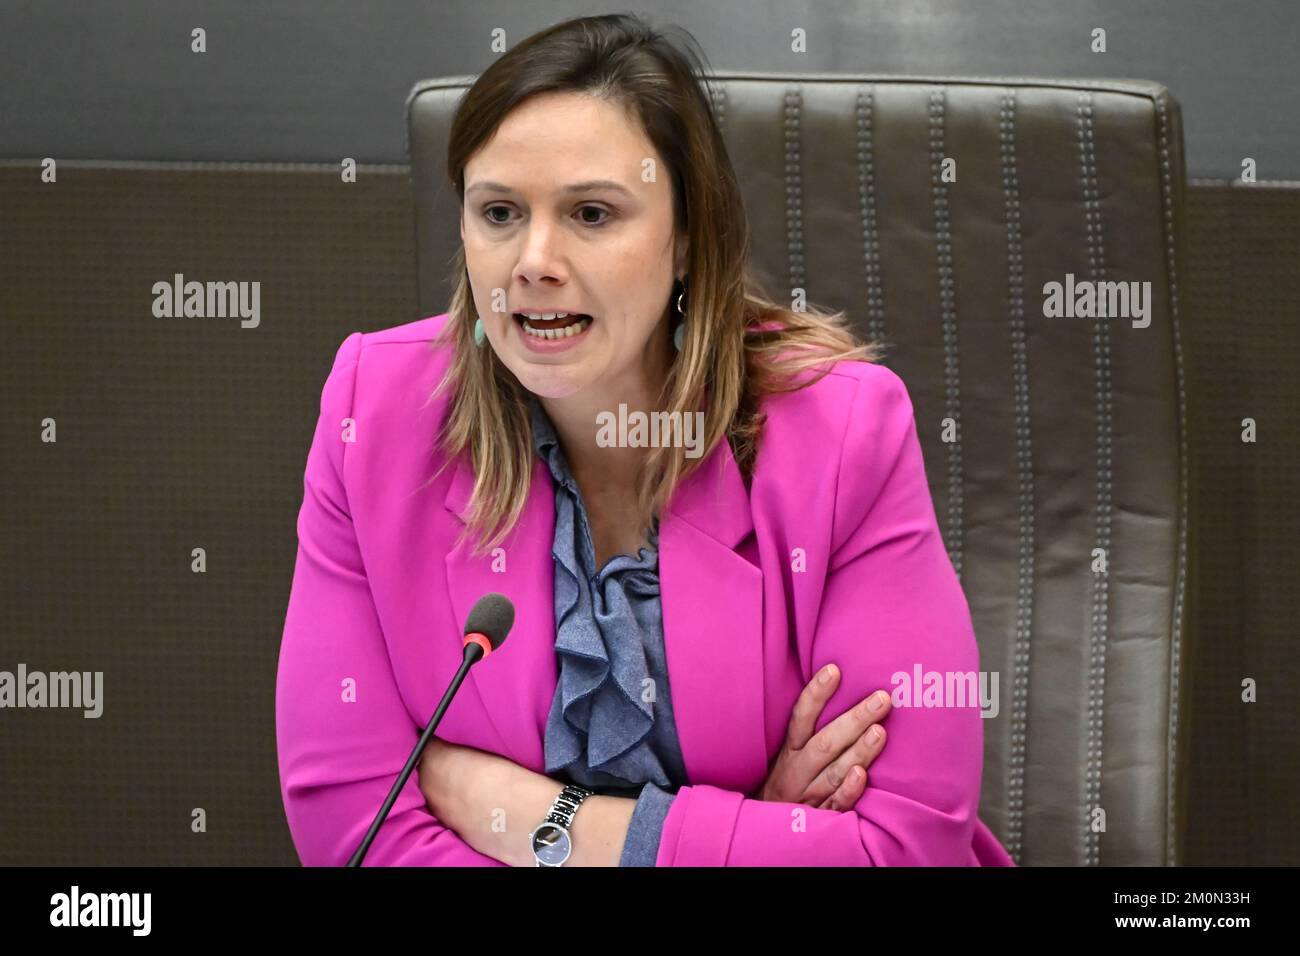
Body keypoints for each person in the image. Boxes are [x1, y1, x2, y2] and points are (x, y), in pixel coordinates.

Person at [275, 12, 1015, 867]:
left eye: (592, 213)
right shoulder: (376, 414)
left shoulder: (841, 434)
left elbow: (902, 848)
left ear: (688, 239)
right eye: (500, 213)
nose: (533, 261)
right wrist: (751, 827)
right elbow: (355, 836)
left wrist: (537, 820)